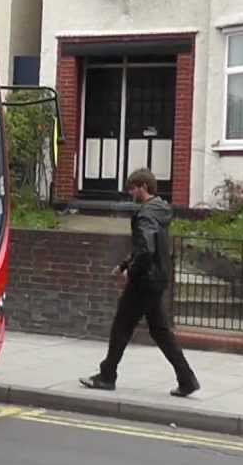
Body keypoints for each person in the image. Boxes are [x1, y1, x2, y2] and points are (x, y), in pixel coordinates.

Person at [80, 169, 201, 398]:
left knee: (121, 326)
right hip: (157, 279)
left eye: (133, 188)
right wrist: (126, 264)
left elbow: (146, 250)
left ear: (144, 187)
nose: (130, 192)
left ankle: (107, 376)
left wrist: (132, 271)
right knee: (160, 331)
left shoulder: (146, 215)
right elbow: (145, 247)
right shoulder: (160, 210)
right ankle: (187, 379)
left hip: (144, 281)